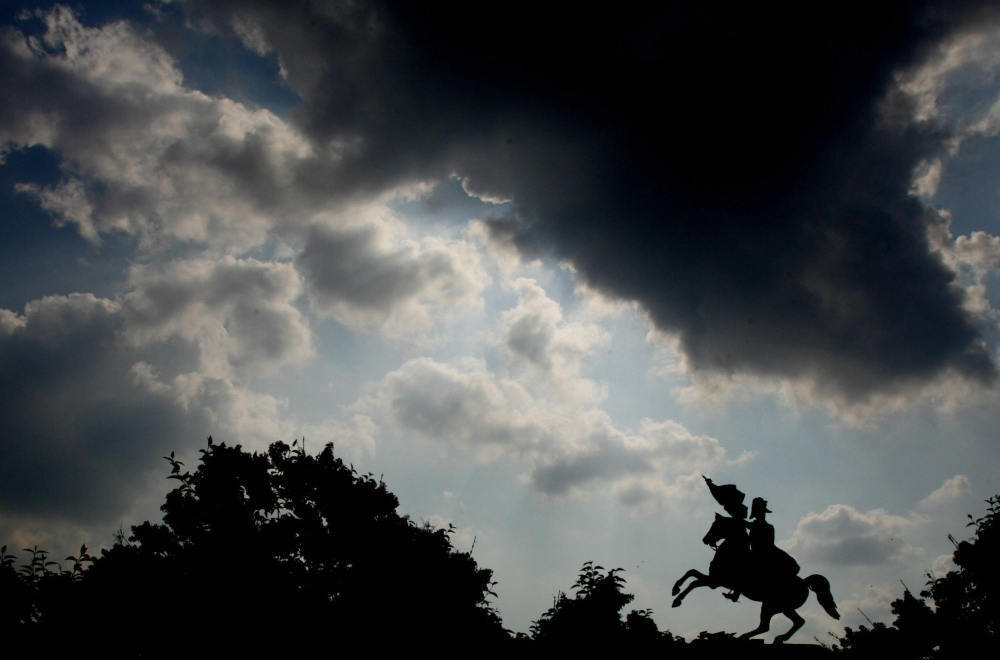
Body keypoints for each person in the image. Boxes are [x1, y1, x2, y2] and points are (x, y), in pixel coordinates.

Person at [747, 497, 799, 582]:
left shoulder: (767, 527)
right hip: (757, 553)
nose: (763, 514)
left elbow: (770, 544)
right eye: (761, 512)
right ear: (756, 513)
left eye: (763, 512)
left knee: (793, 566)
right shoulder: (754, 525)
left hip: (767, 551)